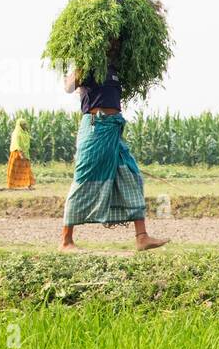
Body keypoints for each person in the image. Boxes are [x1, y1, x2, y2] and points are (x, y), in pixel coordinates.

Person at [60, 46, 168, 252]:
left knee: (131, 174)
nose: (113, 46)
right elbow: (68, 87)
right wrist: (81, 67)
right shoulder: (88, 66)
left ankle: (142, 237)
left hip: (114, 129)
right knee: (84, 180)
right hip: (95, 128)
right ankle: (66, 241)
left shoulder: (115, 69)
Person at [5, 117, 36, 189]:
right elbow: (16, 143)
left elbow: (27, 144)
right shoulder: (16, 133)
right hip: (17, 153)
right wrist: (20, 152)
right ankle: (11, 185)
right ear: (20, 125)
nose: (25, 126)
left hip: (25, 153)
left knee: (26, 169)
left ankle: (29, 185)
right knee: (14, 170)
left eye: (25, 124)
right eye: (23, 124)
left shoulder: (25, 133)